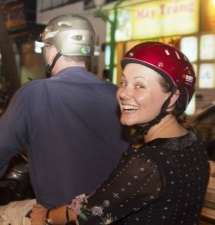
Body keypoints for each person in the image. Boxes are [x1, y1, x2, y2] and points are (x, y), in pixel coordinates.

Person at [0, 14, 129, 225]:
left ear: (53, 48)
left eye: (46, 47)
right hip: (108, 214)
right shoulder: (118, 95)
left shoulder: (35, 93)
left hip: (56, 217)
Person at [30, 41, 210, 225]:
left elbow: (88, 214)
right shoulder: (192, 143)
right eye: (124, 82)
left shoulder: (148, 164)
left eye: (139, 86)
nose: (123, 93)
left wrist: (46, 217)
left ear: (172, 98)